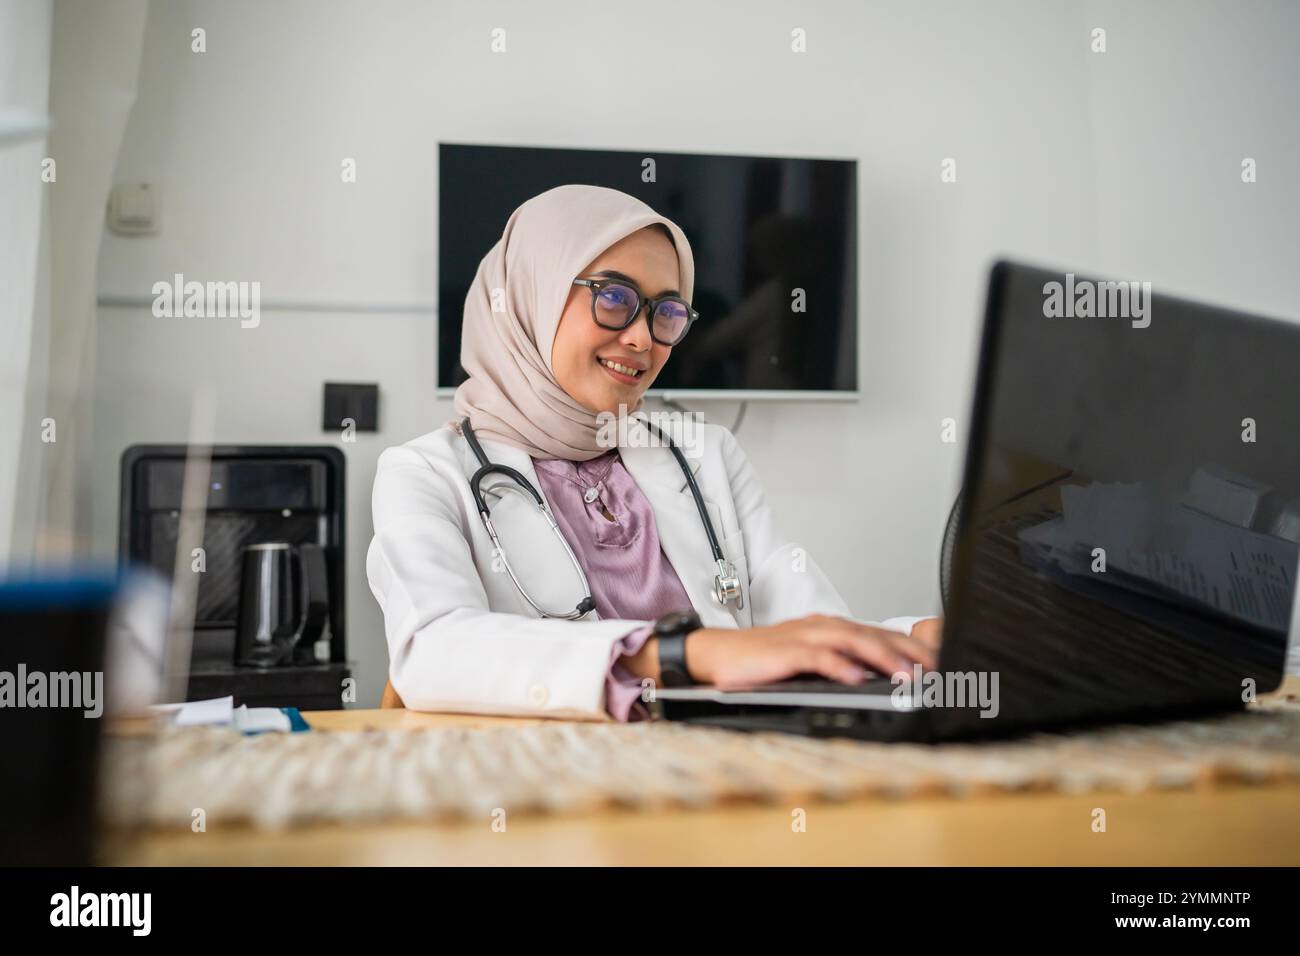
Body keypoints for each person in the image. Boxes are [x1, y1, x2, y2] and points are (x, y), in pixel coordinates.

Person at [367, 184, 940, 719]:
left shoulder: (706, 453)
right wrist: (680, 654)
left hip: (727, 766)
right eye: (615, 298)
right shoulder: (426, 473)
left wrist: (913, 638)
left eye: (666, 311)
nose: (643, 338)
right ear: (531, 295)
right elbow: (434, 648)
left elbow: (805, 627)